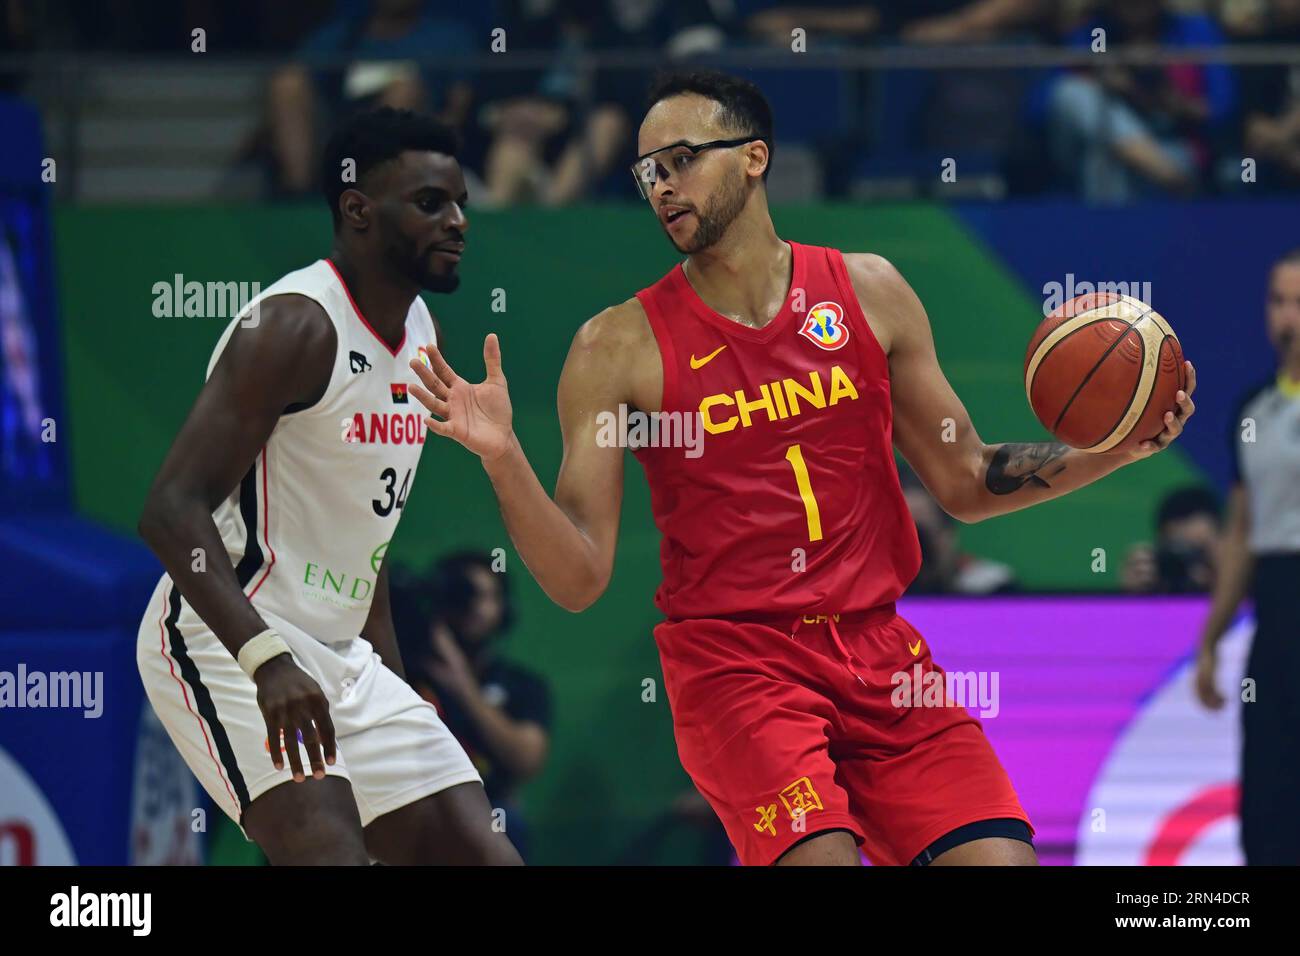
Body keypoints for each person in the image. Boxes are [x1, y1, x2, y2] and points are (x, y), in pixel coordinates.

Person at [408, 70, 1197, 866]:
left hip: (879, 652)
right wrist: (504, 458)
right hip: (736, 667)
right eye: (648, 171)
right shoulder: (615, 347)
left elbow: (966, 476)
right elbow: (579, 575)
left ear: (755, 157)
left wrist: (1115, 450)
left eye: (682, 159)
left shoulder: (870, 290)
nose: (663, 186)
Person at [135, 107, 521, 866]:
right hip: (226, 635)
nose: (457, 221)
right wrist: (265, 658)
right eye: (430, 203)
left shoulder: (418, 333)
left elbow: (364, 541)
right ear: (357, 210)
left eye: (462, 204)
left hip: (343, 654)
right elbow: (169, 510)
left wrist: (398, 690)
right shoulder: (293, 327)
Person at [1196, 247, 1300, 865]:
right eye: (1279, 300)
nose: (1289, 314)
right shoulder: (1251, 412)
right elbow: (1241, 533)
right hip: (1278, 611)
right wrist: (1210, 641)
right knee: (1268, 796)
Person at [391, 552, 551, 855]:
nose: (476, 607)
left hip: (487, 805)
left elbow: (526, 760)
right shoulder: (405, 673)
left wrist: (461, 685)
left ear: (505, 609)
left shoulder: (521, 684)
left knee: (506, 824)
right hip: (409, 800)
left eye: (488, 596)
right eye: (466, 594)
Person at [1119, 485, 1222, 594]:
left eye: (1199, 554)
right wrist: (1132, 598)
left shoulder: (1238, 597)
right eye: (1178, 555)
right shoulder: (1154, 594)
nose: (1189, 569)